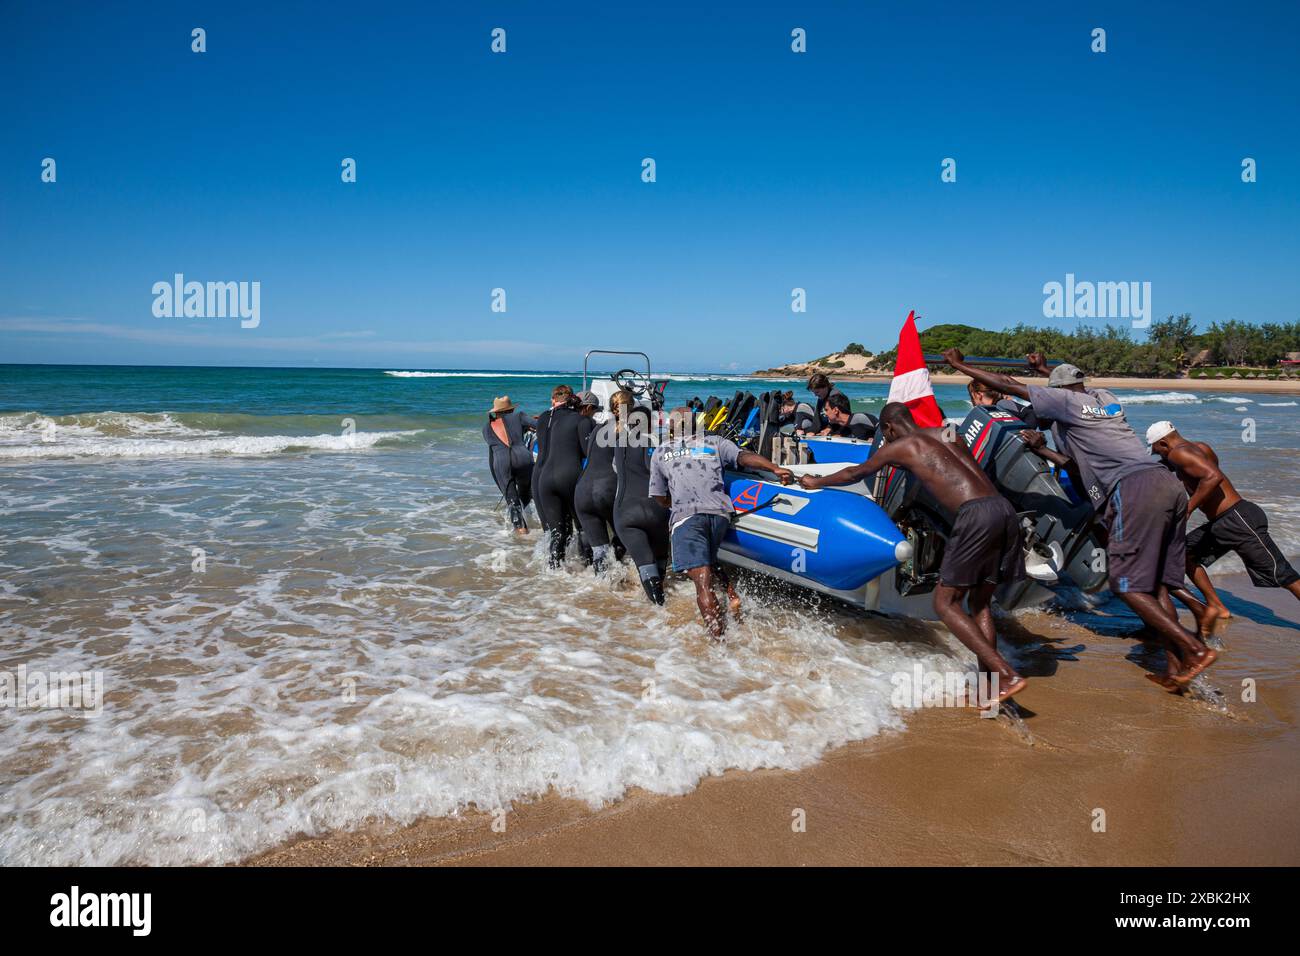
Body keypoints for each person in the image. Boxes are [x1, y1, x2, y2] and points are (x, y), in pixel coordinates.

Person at [942, 348, 1217, 689]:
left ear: (1058, 392)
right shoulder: (1105, 398)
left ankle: (1193, 648)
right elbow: (1076, 453)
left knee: (1126, 585)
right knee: (1156, 584)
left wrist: (958, 365)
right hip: (1166, 484)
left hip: (1132, 489)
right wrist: (1046, 373)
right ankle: (1176, 670)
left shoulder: (1066, 403)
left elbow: (1008, 384)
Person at [799, 402, 1028, 705]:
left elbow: (856, 472)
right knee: (980, 602)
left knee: (945, 604)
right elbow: (955, 467)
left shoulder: (903, 446)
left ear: (889, 428)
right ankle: (990, 686)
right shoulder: (948, 433)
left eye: (886, 434)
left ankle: (1005, 674)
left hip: (974, 516)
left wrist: (816, 481)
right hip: (1001, 509)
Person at [649, 407, 794, 637]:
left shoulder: (661, 451)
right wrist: (774, 467)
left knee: (702, 584)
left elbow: (658, 496)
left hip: (687, 517)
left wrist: (673, 503)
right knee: (708, 559)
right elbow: (744, 457)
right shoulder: (715, 442)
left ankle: (719, 643)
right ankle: (733, 598)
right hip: (720, 515)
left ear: (672, 427)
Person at [1147, 421, 1300, 632]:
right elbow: (1207, 472)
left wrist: (1188, 509)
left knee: (1283, 574)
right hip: (1223, 523)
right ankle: (1217, 607)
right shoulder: (1200, 447)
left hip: (1238, 520)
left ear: (1164, 443)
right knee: (1186, 554)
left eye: (1158, 452)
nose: (1161, 457)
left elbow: (1213, 477)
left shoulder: (1177, 454)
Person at [612, 394, 672, 605]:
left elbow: (615, 470)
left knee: (645, 564)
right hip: (657, 511)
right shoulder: (655, 443)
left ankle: (657, 611)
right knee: (660, 561)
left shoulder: (618, 442)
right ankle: (666, 617)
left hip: (626, 512)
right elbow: (659, 472)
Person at [534, 387, 593, 568]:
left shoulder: (545, 417)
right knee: (583, 526)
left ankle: (554, 573)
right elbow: (587, 452)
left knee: (557, 531)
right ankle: (588, 568)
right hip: (569, 476)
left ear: (555, 399)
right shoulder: (580, 420)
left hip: (542, 477)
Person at [574, 390, 625, 575]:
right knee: (626, 535)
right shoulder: (629, 430)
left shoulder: (596, 428)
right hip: (606, 490)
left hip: (582, 491)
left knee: (599, 551)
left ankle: (597, 593)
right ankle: (618, 584)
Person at [482, 396, 536, 534]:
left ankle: (522, 532)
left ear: (495, 412)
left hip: (501, 463)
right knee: (526, 492)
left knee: (512, 501)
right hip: (523, 458)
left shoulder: (486, 428)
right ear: (510, 410)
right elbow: (540, 425)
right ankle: (533, 520)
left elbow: (492, 455)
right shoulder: (519, 416)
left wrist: (501, 486)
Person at [533, 384, 576, 533]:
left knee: (551, 531)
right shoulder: (573, 418)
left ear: (553, 399)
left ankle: (544, 557)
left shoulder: (543, 417)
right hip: (562, 472)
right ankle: (576, 557)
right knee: (569, 528)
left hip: (539, 475)